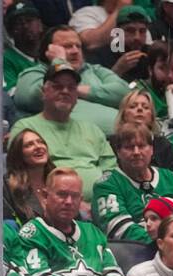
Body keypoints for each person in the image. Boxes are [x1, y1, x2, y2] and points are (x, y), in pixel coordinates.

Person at [15, 166, 123, 276]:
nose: (69, 201)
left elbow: (113, 272)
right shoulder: (32, 233)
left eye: (75, 196)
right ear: (45, 196)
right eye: (62, 194)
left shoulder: (92, 232)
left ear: (81, 200)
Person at [10, 61, 116, 200]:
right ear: (43, 91)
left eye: (71, 88)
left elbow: (111, 171)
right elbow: (20, 173)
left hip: (101, 202)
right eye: (57, 87)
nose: (65, 91)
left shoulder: (92, 129)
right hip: (53, 205)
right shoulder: (25, 127)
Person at [12, 24, 132, 135]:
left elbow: (126, 94)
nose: (75, 51)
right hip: (75, 144)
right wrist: (59, 63)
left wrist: (77, 90)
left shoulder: (95, 70)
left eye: (78, 46)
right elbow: (32, 97)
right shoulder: (35, 73)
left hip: (123, 140)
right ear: (49, 52)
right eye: (67, 46)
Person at [93, 121, 173, 244]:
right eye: (129, 147)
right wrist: (163, 245)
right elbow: (118, 229)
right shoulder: (107, 185)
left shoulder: (171, 178)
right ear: (118, 152)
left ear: (152, 149)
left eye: (142, 146)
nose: (136, 152)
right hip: (135, 255)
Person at [3, 1, 44, 93]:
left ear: (40, 25)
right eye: (18, 23)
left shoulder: (48, 53)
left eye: (29, 20)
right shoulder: (5, 60)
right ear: (10, 32)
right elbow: (11, 94)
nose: (25, 26)